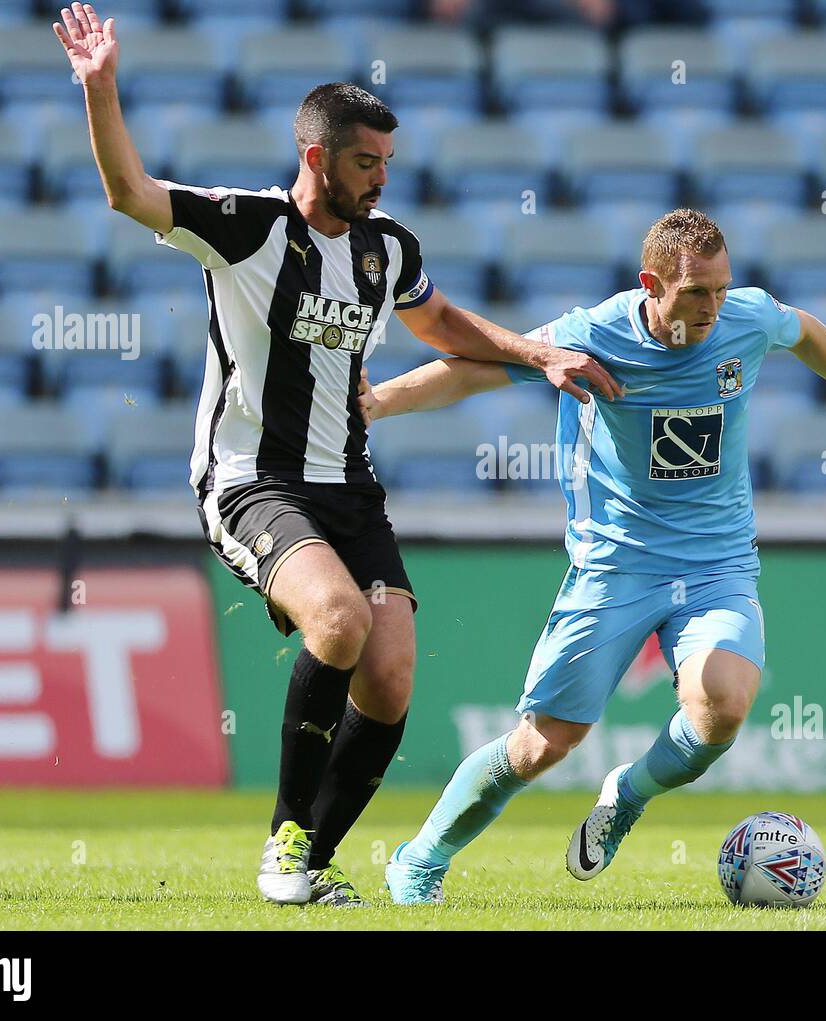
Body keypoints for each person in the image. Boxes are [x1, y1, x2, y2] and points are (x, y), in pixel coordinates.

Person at [52, 2, 620, 907]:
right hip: (250, 482)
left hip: (349, 488)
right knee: (341, 622)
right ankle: (284, 839)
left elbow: (444, 325)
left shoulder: (384, 249)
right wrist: (102, 87)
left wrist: (538, 352)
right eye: (366, 162)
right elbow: (129, 191)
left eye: (389, 163)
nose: (381, 179)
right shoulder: (245, 226)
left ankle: (313, 860)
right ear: (316, 155)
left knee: (390, 674)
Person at [358, 208, 826, 903]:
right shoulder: (594, 335)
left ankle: (627, 793)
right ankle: (420, 858)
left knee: (723, 706)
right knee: (542, 744)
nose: (713, 307)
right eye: (694, 293)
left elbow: (805, 331)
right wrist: (379, 400)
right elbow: (472, 372)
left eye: (720, 289)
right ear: (651, 283)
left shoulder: (745, 317)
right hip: (616, 563)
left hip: (718, 564)